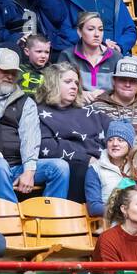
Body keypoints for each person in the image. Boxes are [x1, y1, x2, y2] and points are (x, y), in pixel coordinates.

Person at [0, 47, 70, 202]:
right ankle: (10, 219)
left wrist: (29, 171)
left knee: (60, 168)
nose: (10, 76)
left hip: (16, 165)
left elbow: (30, 137)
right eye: (5, 71)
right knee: (0, 164)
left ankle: (48, 220)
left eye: (14, 72)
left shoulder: (25, 102)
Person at [36, 61, 110, 213]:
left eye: (76, 82)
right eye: (68, 82)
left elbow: (116, 129)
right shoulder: (39, 112)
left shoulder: (89, 110)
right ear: (53, 83)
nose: (74, 86)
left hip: (102, 161)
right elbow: (46, 146)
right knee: (84, 169)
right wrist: (85, 157)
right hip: (74, 166)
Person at [59, 11, 125, 101]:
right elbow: (59, 87)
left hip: (109, 106)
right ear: (79, 32)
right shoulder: (67, 56)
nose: (97, 34)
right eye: (91, 29)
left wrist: (105, 94)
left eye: (101, 29)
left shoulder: (116, 57)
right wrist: (79, 94)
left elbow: (125, 88)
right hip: (78, 106)